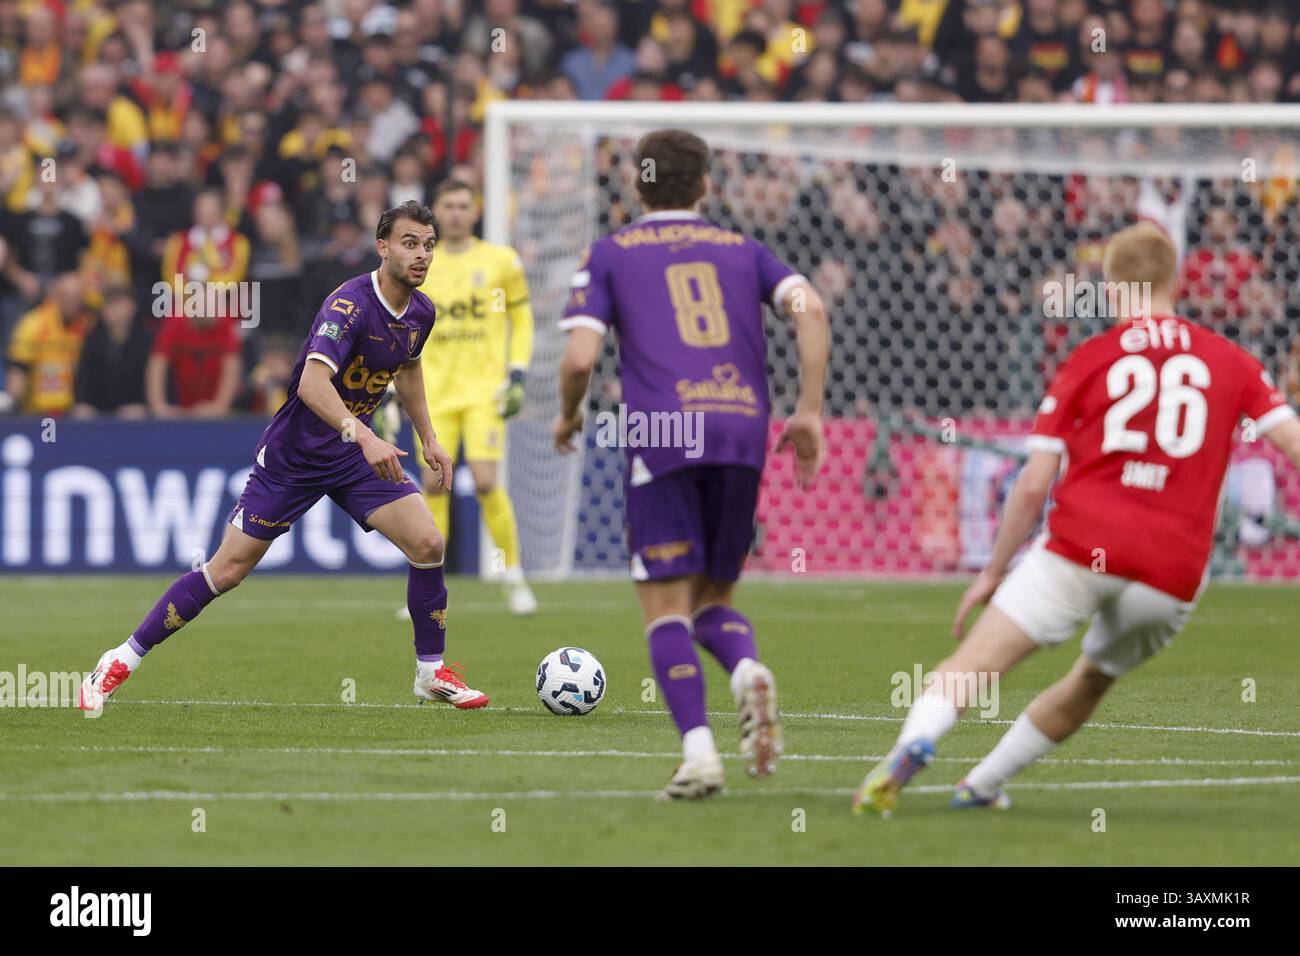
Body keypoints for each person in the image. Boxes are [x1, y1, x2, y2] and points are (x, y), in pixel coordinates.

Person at [853, 222, 1300, 815]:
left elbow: (1035, 482)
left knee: (977, 662)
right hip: (1170, 568)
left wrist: (993, 572)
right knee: (1091, 679)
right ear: (1177, 281)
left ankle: (917, 742)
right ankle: (980, 785)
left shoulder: (1090, 359)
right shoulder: (1232, 361)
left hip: (1083, 544)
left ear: (1112, 287)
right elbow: (1290, 442)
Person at [77, 201, 490, 717]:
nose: (422, 254)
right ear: (382, 246)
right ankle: (119, 658)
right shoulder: (348, 306)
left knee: (428, 542)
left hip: (355, 454)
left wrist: (428, 437)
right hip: (297, 455)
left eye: (428, 245)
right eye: (410, 243)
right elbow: (312, 384)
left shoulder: (422, 312)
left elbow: (407, 369)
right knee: (226, 571)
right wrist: (362, 435)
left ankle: (431, 673)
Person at [554, 129, 830, 799]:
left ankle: (700, 755)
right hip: (741, 430)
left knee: (666, 609)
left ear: (637, 185)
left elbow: (582, 357)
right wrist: (810, 410)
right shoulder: (744, 251)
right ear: (706, 185)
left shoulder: (611, 253)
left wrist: (568, 413)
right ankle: (744, 674)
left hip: (664, 432)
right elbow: (811, 307)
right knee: (715, 601)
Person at [409, 179, 538, 616]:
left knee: (485, 481)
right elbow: (401, 328)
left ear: (476, 210)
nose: (457, 213)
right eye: (449, 205)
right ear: (437, 211)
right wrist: (392, 394)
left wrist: (517, 373)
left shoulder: (500, 261)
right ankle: (428, 590)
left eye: (465, 205)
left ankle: (514, 576)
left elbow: (521, 319)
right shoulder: (424, 264)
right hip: (433, 394)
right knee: (434, 484)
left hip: (484, 392)